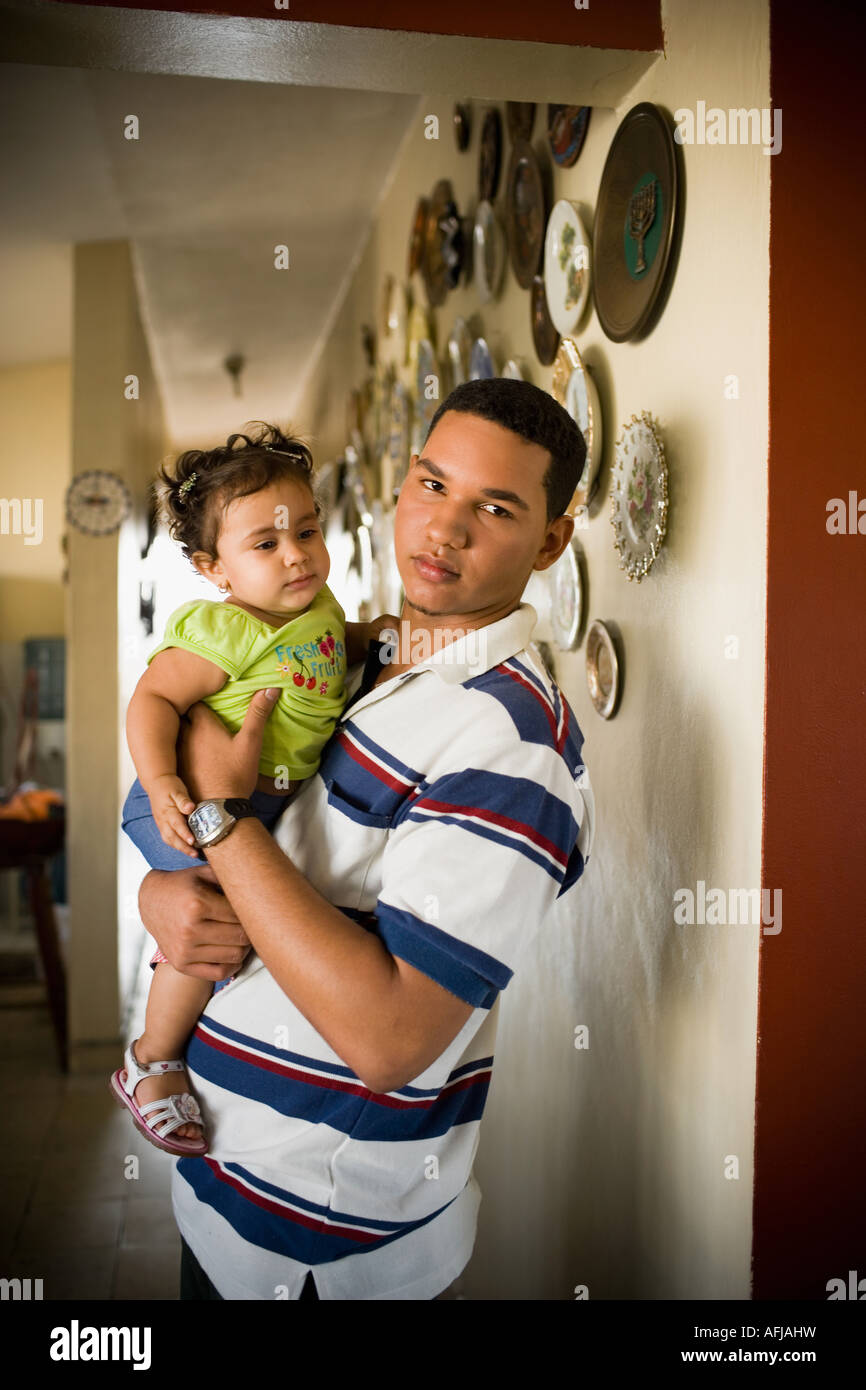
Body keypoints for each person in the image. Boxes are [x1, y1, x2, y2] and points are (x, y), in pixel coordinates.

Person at [137, 378, 596, 1300]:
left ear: (550, 539)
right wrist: (168, 891)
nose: (446, 529)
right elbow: (285, 863)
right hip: (223, 1183)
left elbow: (391, 1040)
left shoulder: (513, 742)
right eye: (431, 484)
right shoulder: (363, 658)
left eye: (494, 507)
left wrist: (221, 823)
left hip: (320, 1246)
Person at [113, 423, 395, 1154]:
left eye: (305, 529)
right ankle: (153, 1062)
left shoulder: (316, 608)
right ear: (216, 570)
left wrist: (376, 638)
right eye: (266, 545)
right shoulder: (226, 629)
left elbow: (332, 649)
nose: (297, 553)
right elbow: (151, 702)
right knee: (211, 920)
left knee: (236, 905)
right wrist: (168, 780)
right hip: (179, 801)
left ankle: (162, 1045)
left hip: (252, 802)